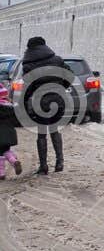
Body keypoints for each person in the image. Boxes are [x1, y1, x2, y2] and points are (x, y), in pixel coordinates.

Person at [19, 36, 70, 175]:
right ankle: (60, 162)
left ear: (30, 48)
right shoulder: (57, 60)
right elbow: (70, 76)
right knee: (54, 129)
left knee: (41, 133)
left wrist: (25, 103)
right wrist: (61, 87)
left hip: (39, 103)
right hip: (57, 100)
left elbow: (27, 88)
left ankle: (43, 166)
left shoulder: (28, 65)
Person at [0, 79, 20, 177]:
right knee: (6, 150)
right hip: (10, 134)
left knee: (0, 154)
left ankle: (1, 173)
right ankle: (14, 161)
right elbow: (16, 122)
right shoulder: (11, 108)